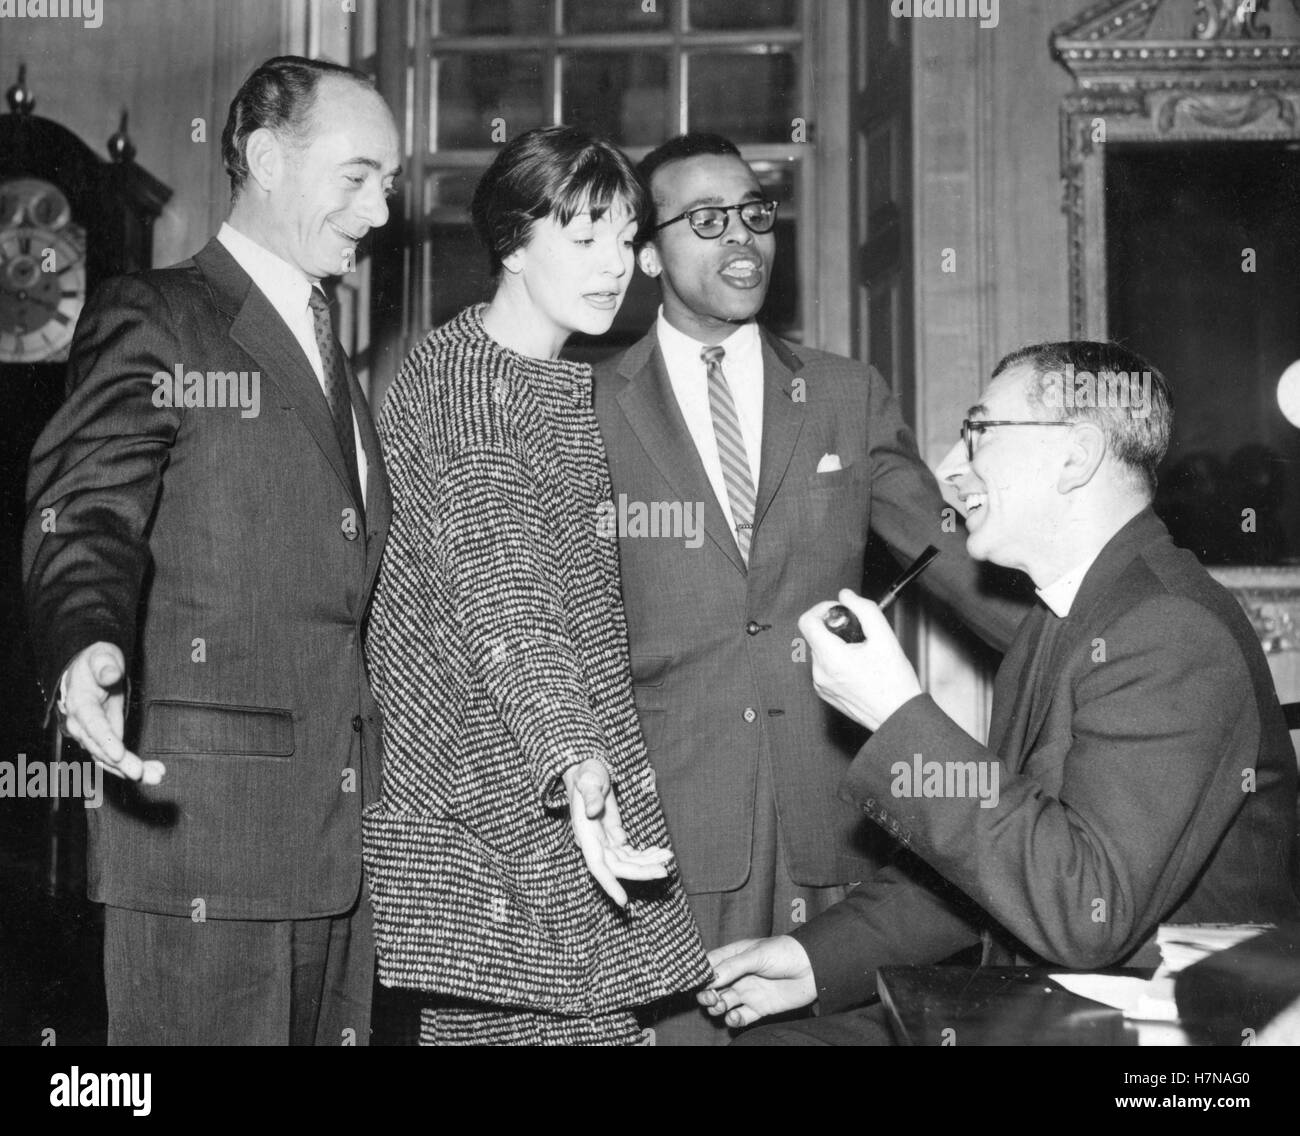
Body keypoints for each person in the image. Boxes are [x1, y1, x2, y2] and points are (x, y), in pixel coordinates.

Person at [697, 341, 1300, 1045]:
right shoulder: (1061, 621)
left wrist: (896, 713)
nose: (953, 471)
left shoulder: (1169, 630)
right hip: (1064, 1005)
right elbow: (991, 863)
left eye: (979, 434)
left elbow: (1084, 910)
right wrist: (812, 959)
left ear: (1075, 455)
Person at [592, 132, 1028, 1044]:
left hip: (832, 828)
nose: (742, 237)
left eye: (755, 213)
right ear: (645, 251)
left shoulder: (841, 393)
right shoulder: (585, 404)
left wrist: (1087, 636)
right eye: (705, 221)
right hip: (664, 836)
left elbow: (955, 559)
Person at [22, 57, 400, 1044]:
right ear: (268, 158)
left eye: (390, 183)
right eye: (357, 177)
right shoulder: (159, 315)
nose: (380, 211)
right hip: (206, 835)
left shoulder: (328, 349)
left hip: (338, 841)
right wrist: (85, 640)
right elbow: (86, 507)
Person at [363, 126, 711, 1046]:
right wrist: (574, 755)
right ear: (513, 245)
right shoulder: (475, 383)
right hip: (502, 795)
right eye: (583, 236)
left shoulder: (527, 371)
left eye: (626, 237)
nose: (617, 268)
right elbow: (503, 583)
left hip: (526, 785)